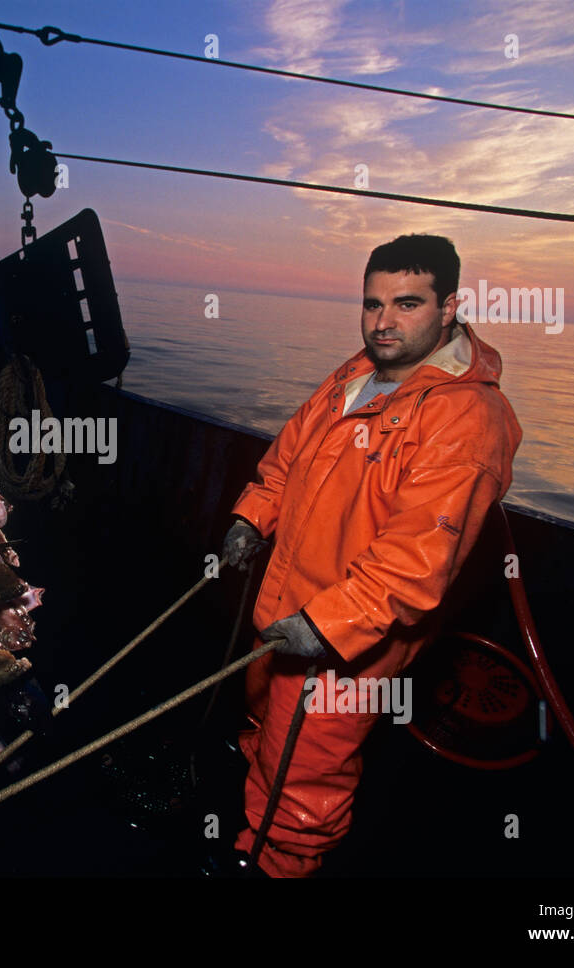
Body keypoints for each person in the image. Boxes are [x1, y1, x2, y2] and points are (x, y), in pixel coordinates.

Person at [220, 234, 521, 877]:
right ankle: (249, 831)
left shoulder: (467, 420)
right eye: (372, 304)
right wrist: (252, 515)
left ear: (450, 308)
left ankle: (276, 866)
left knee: (304, 778)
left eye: (406, 304)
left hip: (345, 643)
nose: (383, 322)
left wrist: (326, 626)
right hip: (281, 614)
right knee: (262, 737)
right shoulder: (358, 373)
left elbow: (415, 563)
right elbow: (288, 458)